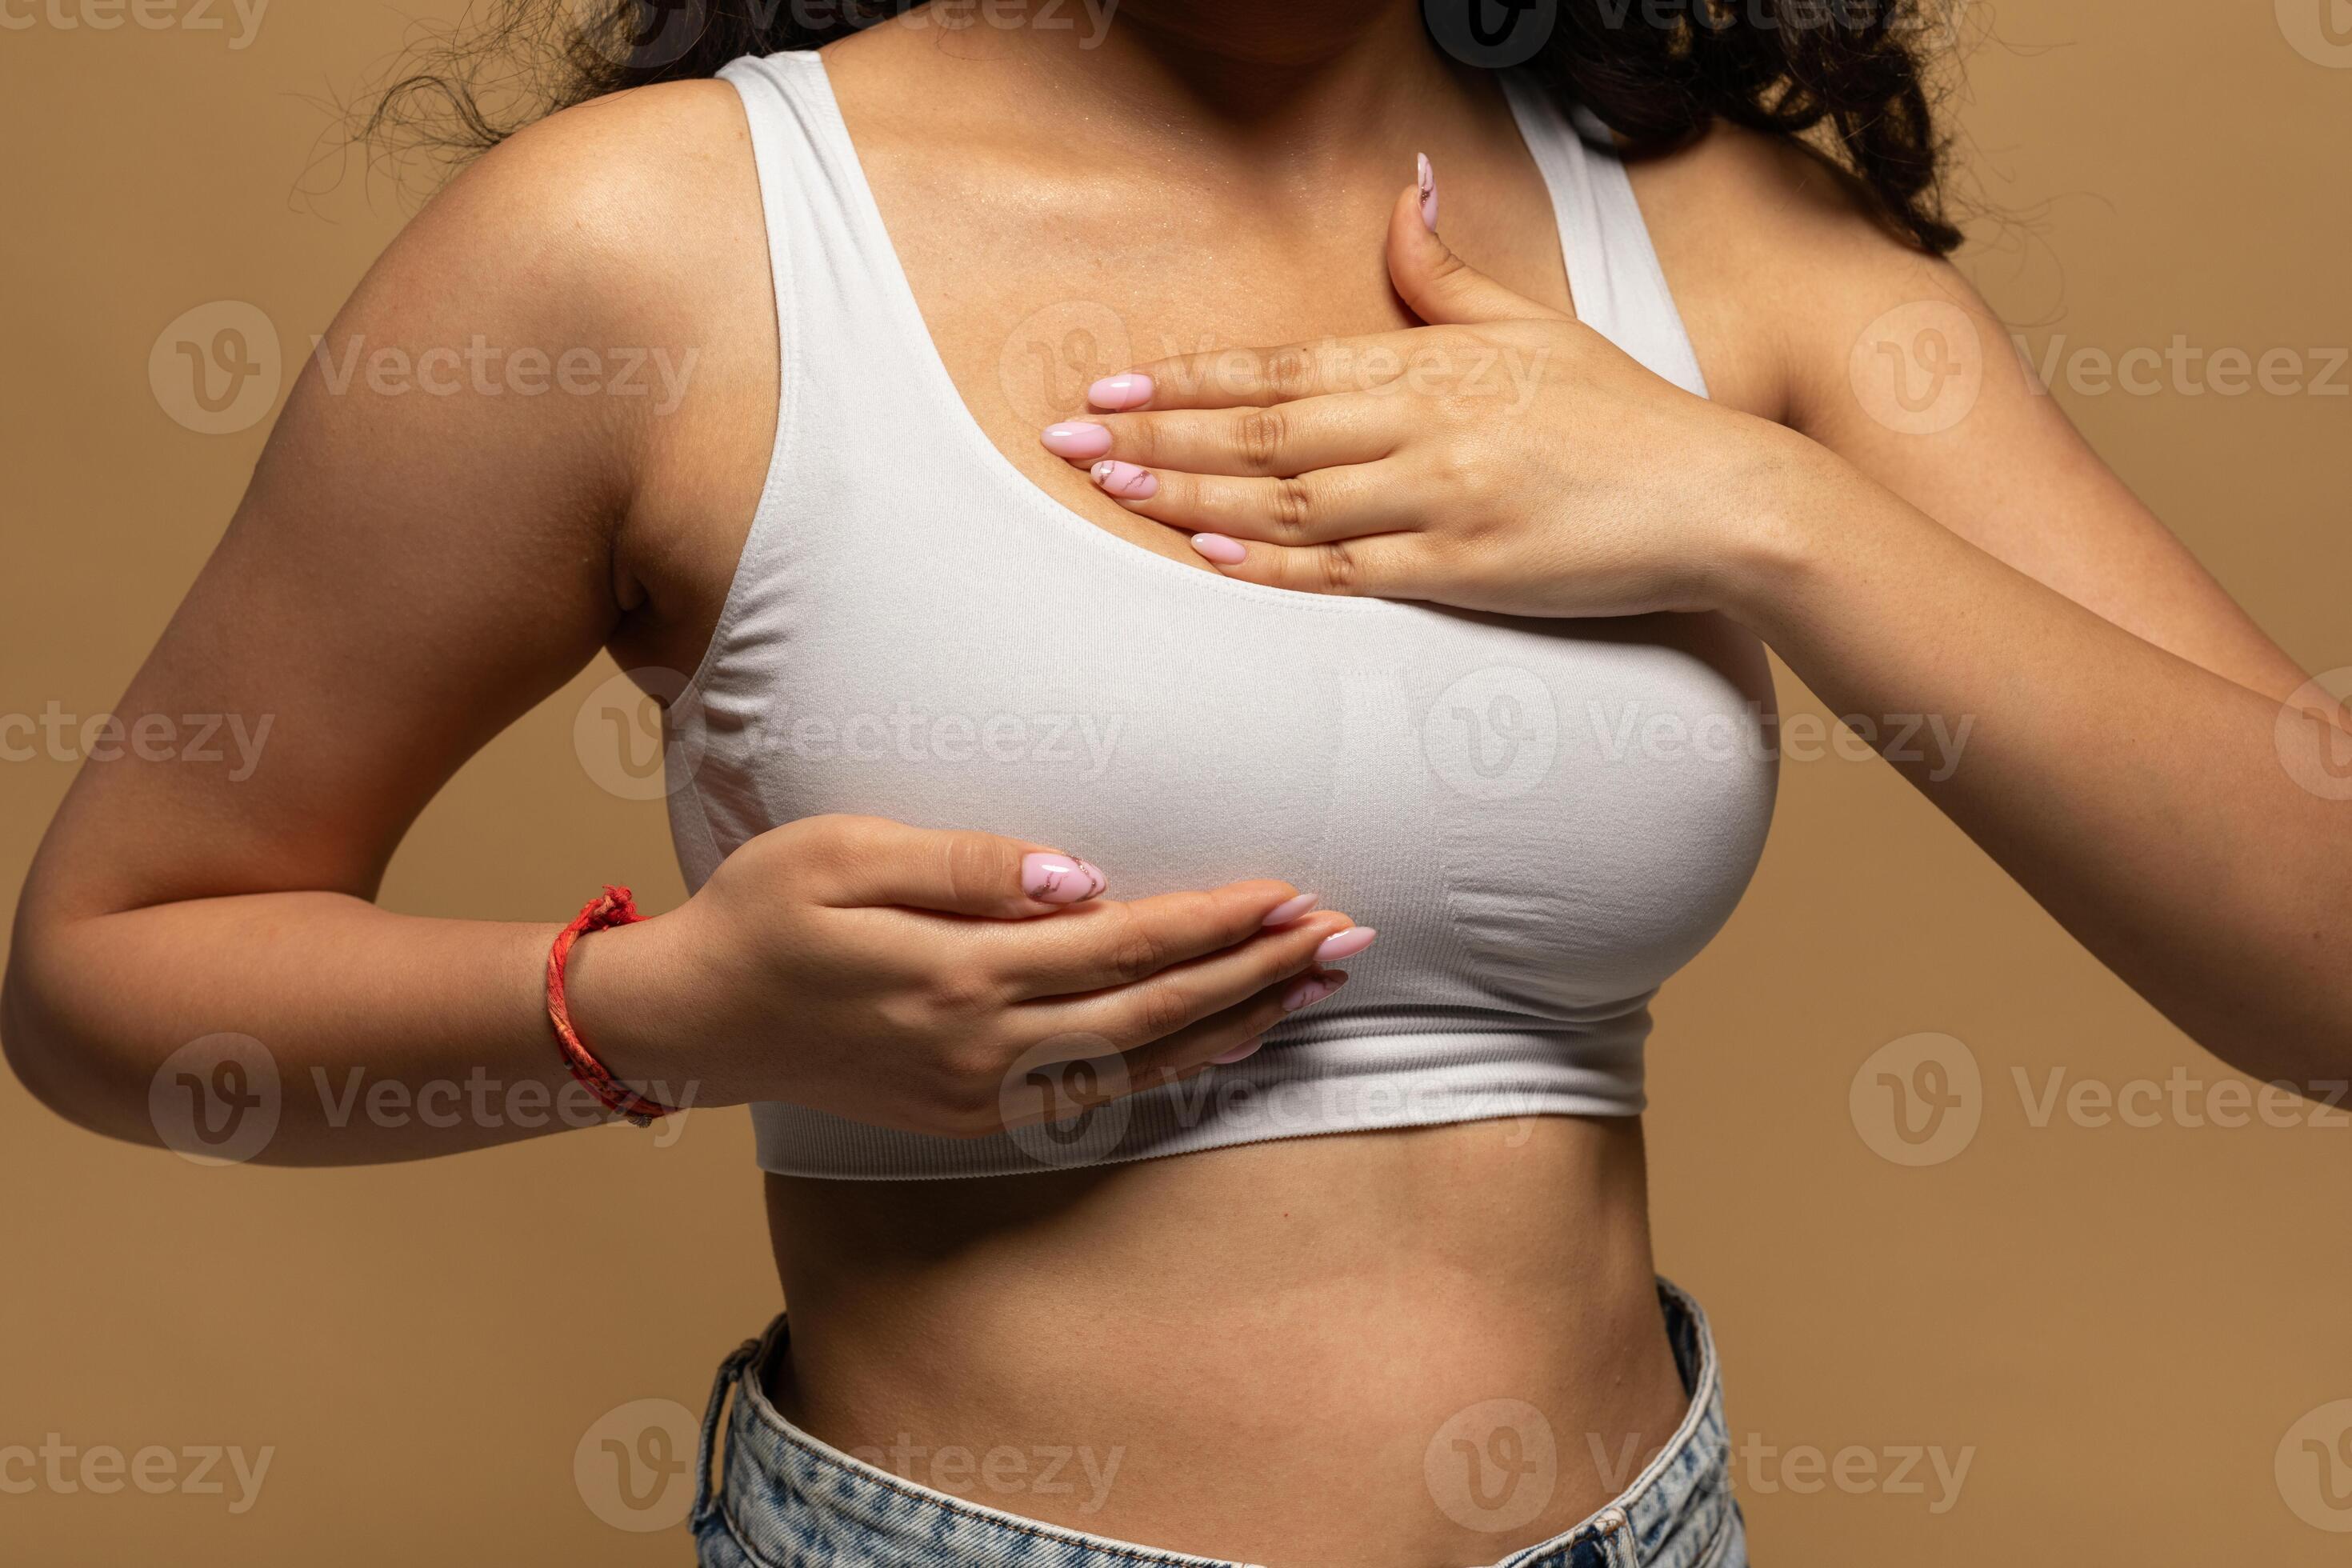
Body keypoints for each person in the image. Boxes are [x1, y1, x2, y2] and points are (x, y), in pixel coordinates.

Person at [8, 4, 2348, 1565]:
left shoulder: (1717, 238)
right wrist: (655, 1018)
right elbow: (118, 969)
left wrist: (1757, 506)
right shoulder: (662, 239)